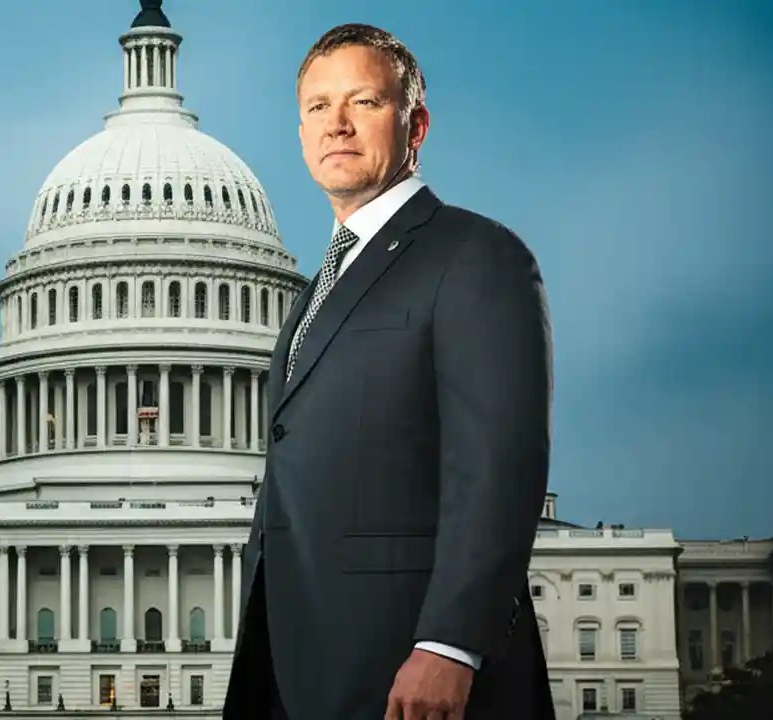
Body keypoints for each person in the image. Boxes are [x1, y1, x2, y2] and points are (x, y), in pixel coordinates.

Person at [222, 23, 556, 720]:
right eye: (317, 107)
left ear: (416, 124)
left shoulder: (476, 255)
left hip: (411, 664)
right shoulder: (319, 285)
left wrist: (450, 643)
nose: (336, 125)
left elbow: (497, 463)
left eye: (363, 102)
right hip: (298, 657)